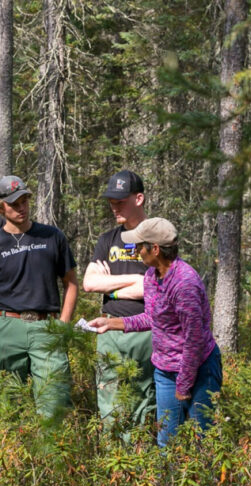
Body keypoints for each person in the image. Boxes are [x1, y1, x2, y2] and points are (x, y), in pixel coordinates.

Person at [89, 218, 221, 446]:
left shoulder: (184, 284)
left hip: (197, 369)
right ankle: (167, 481)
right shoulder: (152, 275)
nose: (137, 251)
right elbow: (152, 317)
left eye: (140, 246)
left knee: (203, 442)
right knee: (166, 443)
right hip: (165, 369)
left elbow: (194, 341)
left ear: (156, 249)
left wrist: (183, 385)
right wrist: (112, 323)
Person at [0, 176, 79, 420]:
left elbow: (71, 284)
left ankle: (53, 456)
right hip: (5, 328)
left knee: (55, 404)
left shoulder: (52, 237)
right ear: (0, 207)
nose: (21, 207)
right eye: (13, 203)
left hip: (46, 327)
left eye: (25, 200)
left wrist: (63, 324)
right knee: (6, 407)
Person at [81, 170, 155, 434]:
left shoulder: (157, 238)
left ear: (139, 198)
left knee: (143, 397)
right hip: (109, 330)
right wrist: (134, 281)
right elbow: (90, 283)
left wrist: (111, 284)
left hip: (146, 330)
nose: (114, 207)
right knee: (108, 395)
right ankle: (112, 457)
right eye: (111, 201)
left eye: (120, 201)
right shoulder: (107, 239)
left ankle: (140, 457)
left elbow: (155, 289)